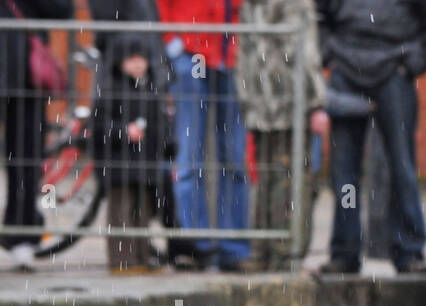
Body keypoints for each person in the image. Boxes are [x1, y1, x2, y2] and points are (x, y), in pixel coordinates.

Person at [315, 0, 426, 275]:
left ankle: (409, 252)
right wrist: (330, 54)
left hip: (395, 73)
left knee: (401, 167)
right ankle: (345, 253)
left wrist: (411, 64)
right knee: (344, 173)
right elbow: (318, 16)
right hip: (346, 71)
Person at [156, 0, 252, 271]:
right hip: (191, 51)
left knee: (234, 158)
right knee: (189, 156)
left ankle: (232, 247)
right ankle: (197, 245)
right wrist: (173, 45)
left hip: (230, 56)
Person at [235, 0, 327, 270]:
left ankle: (261, 251)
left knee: (266, 178)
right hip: (289, 102)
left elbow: (243, 52)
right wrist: (316, 101)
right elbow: (302, 51)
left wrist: (247, 99)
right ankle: (284, 254)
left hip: (259, 101)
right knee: (290, 180)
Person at [0, 0, 73, 271]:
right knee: (26, 160)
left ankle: (21, 236)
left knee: (27, 161)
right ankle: (21, 235)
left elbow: (62, 10)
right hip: (18, 72)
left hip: (24, 77)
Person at [91, 32, 171, 272]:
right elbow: (99, 127)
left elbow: (160, 125)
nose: (138, 64)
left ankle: (142, 257)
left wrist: (167, 144)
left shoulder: (151, 90)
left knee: (142, 213)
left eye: (142, 59)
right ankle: (122, 260)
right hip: (118, 165)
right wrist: (123, 132)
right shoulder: (110, 90)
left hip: (145, 165)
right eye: (131, 59)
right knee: (121, 213)